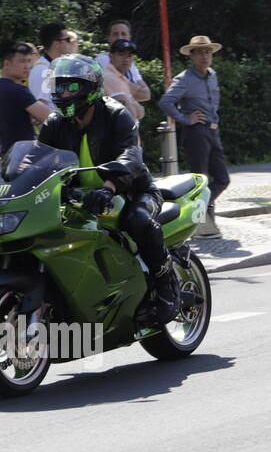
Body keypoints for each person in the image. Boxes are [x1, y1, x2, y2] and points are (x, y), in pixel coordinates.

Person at [37, 55, 178, 327]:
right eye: (58, 87)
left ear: (90, 88)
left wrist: (108, 188)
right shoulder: (55, 124)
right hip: (80, 198)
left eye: (70, 87)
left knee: (137, 221)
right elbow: (36, 158)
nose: (62, 94)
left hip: (132, 191)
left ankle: (166, 283)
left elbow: (131, 156)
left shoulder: (116, 114)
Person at [159, 36, 229, 238]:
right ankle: (202, 226)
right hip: (197, 132)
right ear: (192, 55)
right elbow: (166, 102)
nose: (205, 56)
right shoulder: (185, 78)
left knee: (222, 179)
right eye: (200, 52)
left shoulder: (212, 75)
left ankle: (198, 215)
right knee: (202, 181)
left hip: (212, 130)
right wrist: (185, 119)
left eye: (208, 52)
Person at [1, 41, 53, 153]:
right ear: (7, 63)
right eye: (22, 61)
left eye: (29, 61)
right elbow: (51, 119)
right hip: (22, 156)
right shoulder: (18, 91)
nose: (27, 66)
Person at [29, 23, 78, 107]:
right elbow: (41, 108)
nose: (71, 43)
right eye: (68, 39)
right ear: (56, 44)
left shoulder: (52, 67)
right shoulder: (44, 71)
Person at [102, 38, 148, 124]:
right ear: (111, 56)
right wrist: (136, 107)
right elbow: (130, 114)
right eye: (121, 54)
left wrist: (136, 108)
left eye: (129, 55)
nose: (126, 59)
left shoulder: (119, 77)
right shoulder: (110, 77)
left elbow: (145, 97)